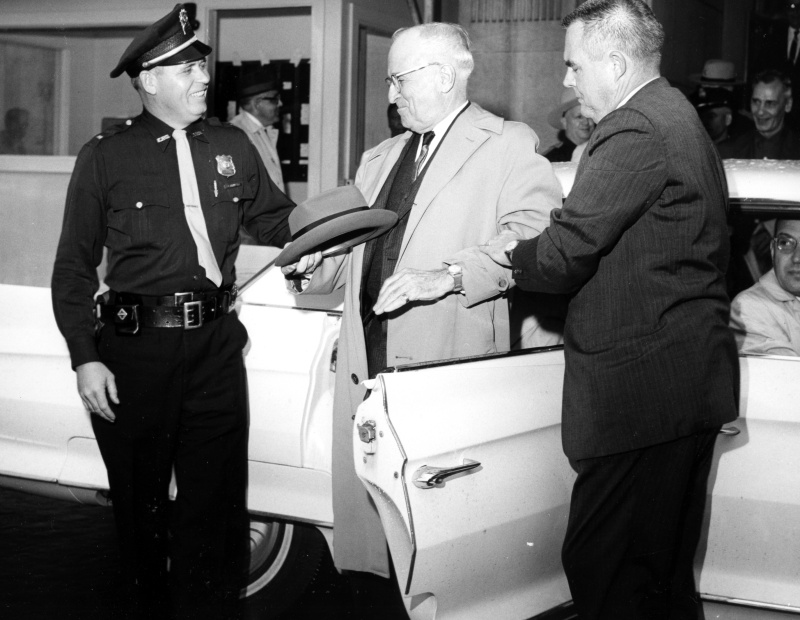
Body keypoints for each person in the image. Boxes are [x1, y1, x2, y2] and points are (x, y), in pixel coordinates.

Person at [281, 21, 561, 617]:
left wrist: (451, 275)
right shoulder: (379, 158)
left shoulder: (506, 144)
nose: (391, 95)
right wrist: (310, 266)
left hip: (443, 371)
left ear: (441, 75)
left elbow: (537, 238)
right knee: (375, 551)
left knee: (442, 557)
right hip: (367, 374)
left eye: (398, 80)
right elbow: (344, 265)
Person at [480, 1, 739, 617]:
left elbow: (567, 251)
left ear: (616, 64)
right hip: (679, 390)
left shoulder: (635, 127)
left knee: (608, 574)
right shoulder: (676, 115)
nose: (567, 80)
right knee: (661, 580)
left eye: (574, 65)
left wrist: (499, 258)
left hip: (640, 399)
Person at [51, 5, 294, 619]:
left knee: (216, 515)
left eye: (202, 65)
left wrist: (335, 229)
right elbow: (73, 268)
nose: (202, 77)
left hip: (214, 348)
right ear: (149, 79)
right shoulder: (105, 156)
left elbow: (277, 219)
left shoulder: (233, 145)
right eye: (186, 67)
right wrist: (85, 357)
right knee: (140, 517)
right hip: (135, 356)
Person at [730, 218, 800, 356]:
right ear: (773, 250)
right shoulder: (749, 307)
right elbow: (786, 376)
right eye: (785, 243)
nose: (797, 257)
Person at [718, 69, 800, 160]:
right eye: (756, 102)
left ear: (788, 105)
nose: (760, 112)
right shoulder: (726, 151)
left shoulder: (796, 150)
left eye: (769, 103)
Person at [229, 64, 285, 193]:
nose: (280, 104)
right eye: (274, 99)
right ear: (257, 103)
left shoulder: (263, 131)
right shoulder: (236, 133)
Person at [749, 0, 800, 129]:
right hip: (774, 112)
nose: (796, 12)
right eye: (792, 6)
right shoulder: (773, 37)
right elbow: (758, 69)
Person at [544, 88, 596, 162]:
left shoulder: (602, 152)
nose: (586, 122)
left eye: (589, 116)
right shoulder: (551, 159)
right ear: (564, 122)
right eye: (579, 117)